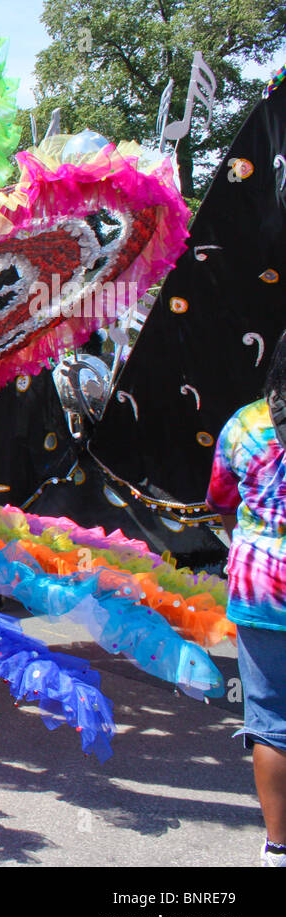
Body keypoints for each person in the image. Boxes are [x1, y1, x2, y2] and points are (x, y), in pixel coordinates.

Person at [206, 330, 286, 867]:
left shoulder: (247, 423)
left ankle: (277, 846)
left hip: (261, 586)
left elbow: (218, 495)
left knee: (271, 721)